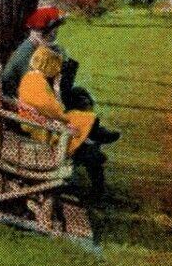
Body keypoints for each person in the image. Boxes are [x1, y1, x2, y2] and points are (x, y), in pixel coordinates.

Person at [3, 6, 120, 140]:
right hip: (27, 108)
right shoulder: (27, 54)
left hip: (44, 96)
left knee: (80, 94)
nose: (54, 34)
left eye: (55, 30)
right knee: (69, 103)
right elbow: (36, 89)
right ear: (41, 32)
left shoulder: (45, 47)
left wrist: (64, 69)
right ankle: (85, 139)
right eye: (51, 31)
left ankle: (91, 132)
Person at [17, 46, 109, 201]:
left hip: (44, 125)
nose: (57, 70)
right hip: (43, 131)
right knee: (86, 144)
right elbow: (57, 110)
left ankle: (97, 137)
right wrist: (57, 89)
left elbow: (54, 111)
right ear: (48, 65)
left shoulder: (31, 78)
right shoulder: (37, 82)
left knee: (82, 123)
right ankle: (97, 141)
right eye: (55, 66)